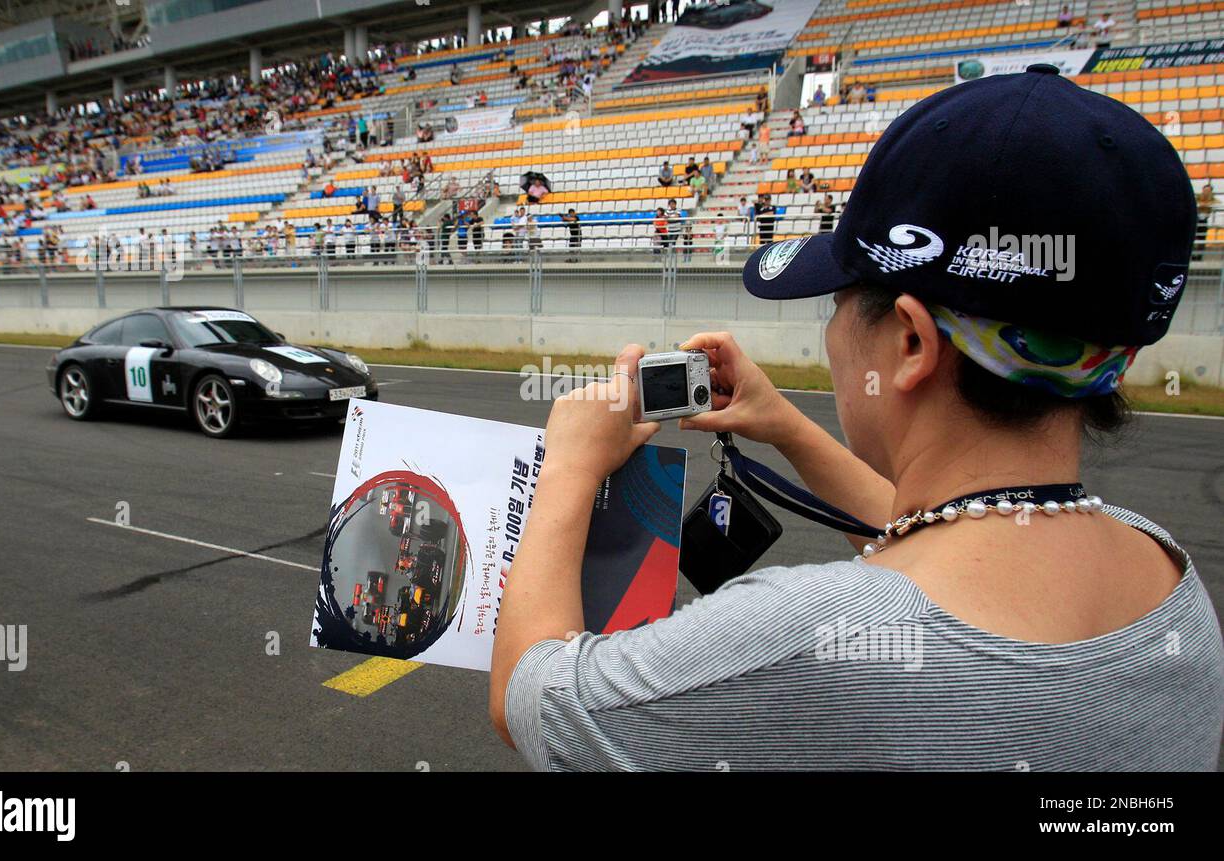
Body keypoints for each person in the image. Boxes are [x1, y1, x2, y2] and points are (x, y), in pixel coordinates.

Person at [489, 67, 1224, 772]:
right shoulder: (1171, 590)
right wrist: (786, 427)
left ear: (909, 342)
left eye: (838, 301)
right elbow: (950, 548)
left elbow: (536, 696)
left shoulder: (804, 633)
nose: (833, 330)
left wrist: (570, 465)